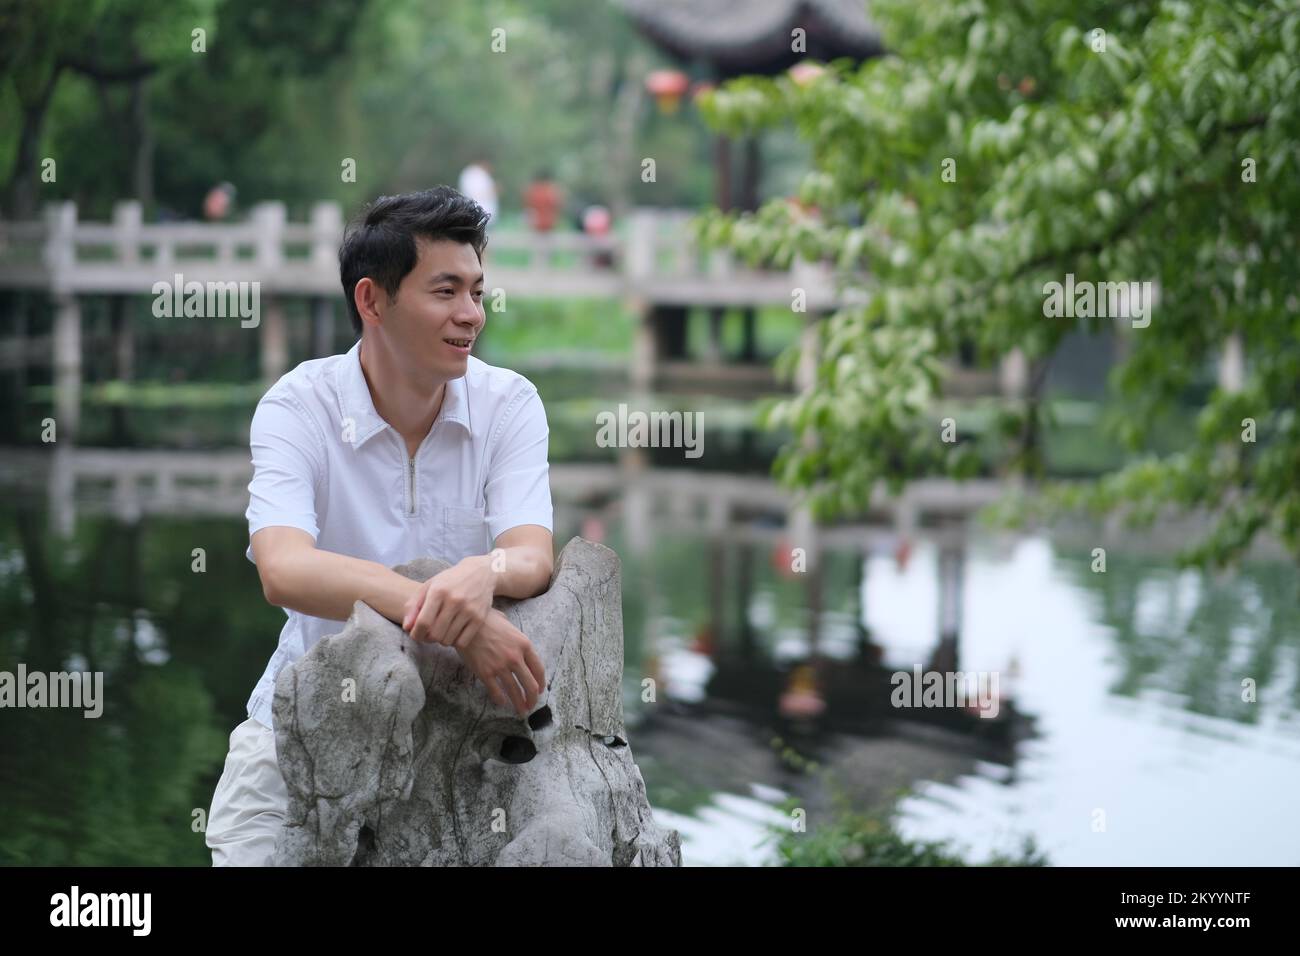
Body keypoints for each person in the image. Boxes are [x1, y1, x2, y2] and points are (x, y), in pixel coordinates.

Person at [205, 186, 553, 866]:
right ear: (372, 300)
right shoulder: (297, 406)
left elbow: (530, 554)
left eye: (478, 293)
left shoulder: (508, 404)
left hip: (462, 734)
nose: (471, 315)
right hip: (302, 722)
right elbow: (283, 570)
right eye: (445, 291)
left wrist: (483, 574)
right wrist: (454, 614)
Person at [457, 159, 498, 228]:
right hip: (478, 214)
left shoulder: (481, 175)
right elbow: (475, 193)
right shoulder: (474, 175)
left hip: (483, 215)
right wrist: (492, 191)